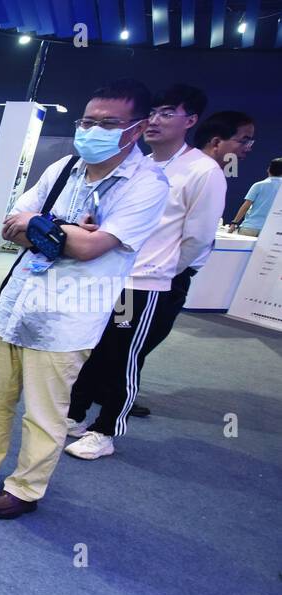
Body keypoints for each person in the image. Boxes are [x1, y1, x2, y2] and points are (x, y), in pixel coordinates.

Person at [0, 78, 169, 518]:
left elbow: (92, 248)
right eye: (87, 121)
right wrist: (65, 230)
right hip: (19, 303)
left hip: (68, 317)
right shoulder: (64, 167)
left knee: (45, 411)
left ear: (136, 128)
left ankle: (25, 488)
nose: (93, 131)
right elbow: (12, 224)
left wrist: (43, 225)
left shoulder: (147, 184)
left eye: (108, 123)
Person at [65, 84, 225, 460]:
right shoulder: (139, 165)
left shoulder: (202, 171)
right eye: (152, 113)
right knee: (93, 347)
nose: (155, 120)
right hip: (108, 274)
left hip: (145, 283)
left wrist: (163, 271)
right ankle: (75, 414)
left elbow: (199, 237)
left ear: (191, 120)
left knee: (124, 355)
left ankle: (105, 429)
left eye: (167, 113)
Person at [228, 157, 281, 237]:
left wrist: (234, 223)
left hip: (250, 227)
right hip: (271, 231)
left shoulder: (258, 185)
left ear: (268, 169)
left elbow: (246, 206)